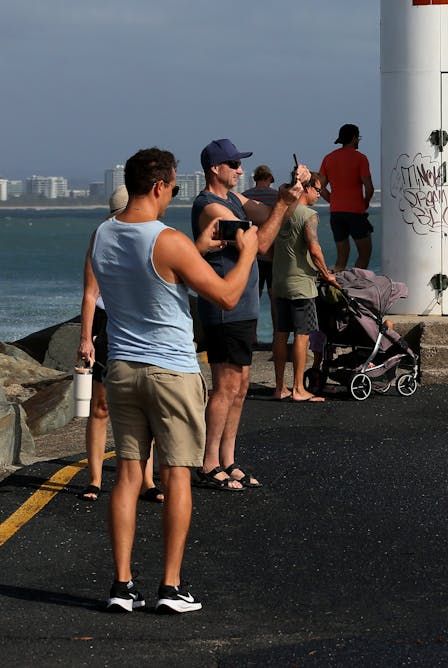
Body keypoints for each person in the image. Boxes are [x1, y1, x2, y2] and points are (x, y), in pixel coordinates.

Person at [85, 147, 276, 613]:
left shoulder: (102, 235)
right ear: (158, 186)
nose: (173, 193)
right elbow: (227, 297)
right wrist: (247, 252)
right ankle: (170, 588)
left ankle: (122, 585)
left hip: (124, 368)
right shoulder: (167, 239)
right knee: (177, 476)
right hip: (170, 370)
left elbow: (149, 281)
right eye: (172, 186)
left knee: (129, 475)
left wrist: (202, 248)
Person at [192, 138, 306, 492]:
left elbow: (266, 215)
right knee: (225, 386)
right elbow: (261, 243)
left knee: (240, 386)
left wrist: (290, 191)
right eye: (234, 165)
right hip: (223, 309)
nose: (241, 170)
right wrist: (283, 204)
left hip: (242, 307)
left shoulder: (233, 200)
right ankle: (209, 462)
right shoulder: (211, 207)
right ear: (216, 168)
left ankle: (228, 459)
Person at [77, 186, 163, 504]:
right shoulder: (101, 239)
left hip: (140, 330)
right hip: (107, 328)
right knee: (100, 407)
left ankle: (147, 480)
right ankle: (96, 479)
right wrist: (86, 339)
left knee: (146, 408)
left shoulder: (153, 238)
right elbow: (89, 293)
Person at [271, 173, 337, 402]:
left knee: (280, 334)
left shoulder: (282, 212)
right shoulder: (308, 214)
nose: (319, 194)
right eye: (317, 190)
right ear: (306, 188)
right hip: (301, 285)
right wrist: (326, 274)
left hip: (279, 282)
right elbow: (314, 248)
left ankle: (280, 387)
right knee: (302, 335)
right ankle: (298, 388)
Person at [318, 123, 375, 270]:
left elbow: (320, 186)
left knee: (341, 258)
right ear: (354, 138)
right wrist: (366, 202)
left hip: (336, 213)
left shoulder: (328, 158)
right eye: (358, 138)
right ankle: (357, 284)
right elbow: (369, 187)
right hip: (355, 212)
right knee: (364, 253)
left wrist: (332, 200)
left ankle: (337, 288)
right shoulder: (360, 158)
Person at [242, 166, 279, 298]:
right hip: (273, 253)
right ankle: (276, 320)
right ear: (269, 178)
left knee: (253, 296)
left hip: (251, 255)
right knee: (275, 297)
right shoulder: (277, 197)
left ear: (255, 179)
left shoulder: (244, 197)